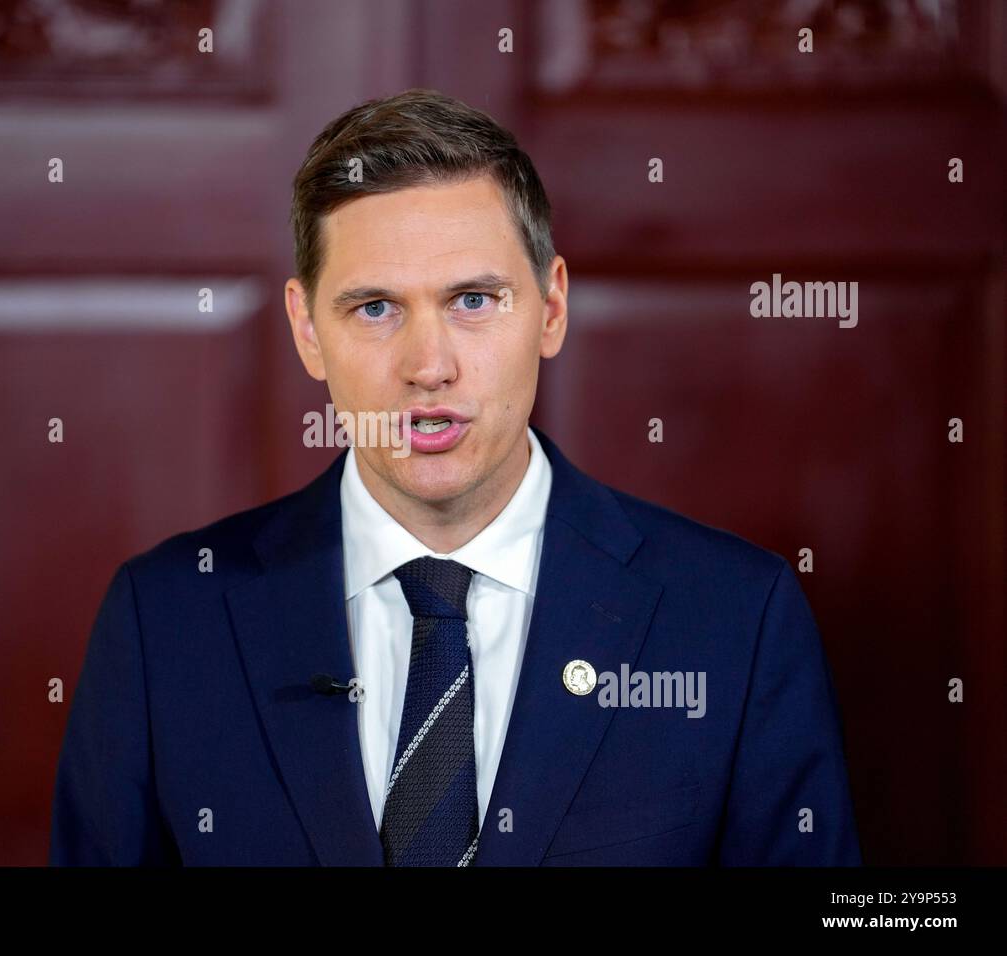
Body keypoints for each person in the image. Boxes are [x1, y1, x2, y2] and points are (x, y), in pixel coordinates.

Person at [49, 88, 862, 866]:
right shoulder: (163, 622)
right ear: (306, 330)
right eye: (375, 308)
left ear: (550, 309)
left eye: (473, 300)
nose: (428, 366)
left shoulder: (734, 619)